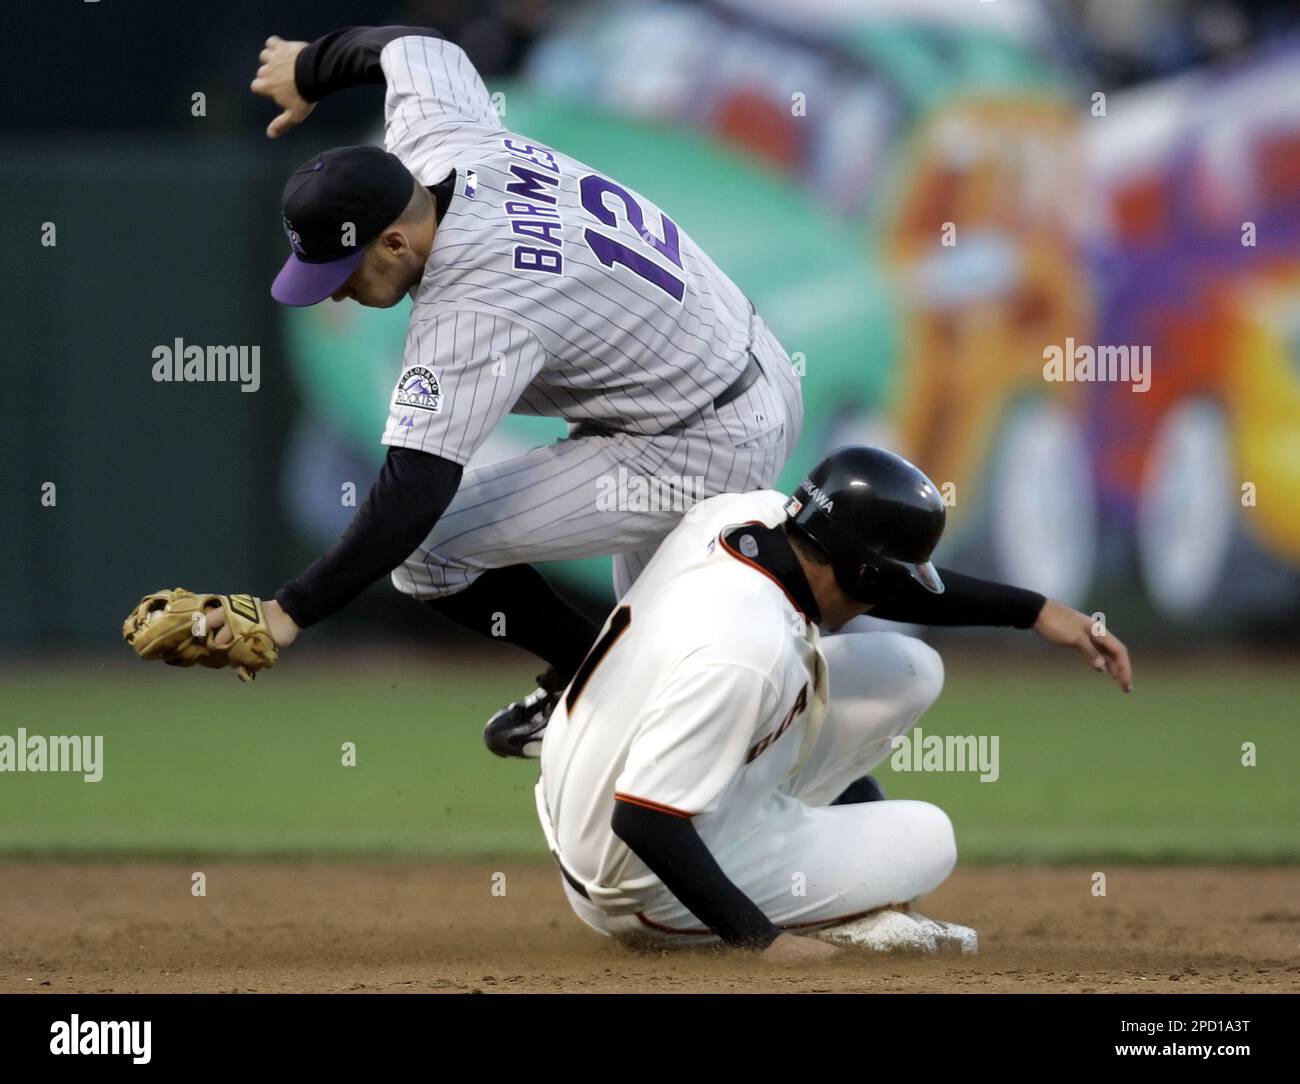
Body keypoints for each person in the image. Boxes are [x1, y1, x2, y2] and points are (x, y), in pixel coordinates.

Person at [228, 25, 801, 748]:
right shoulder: (443, 138)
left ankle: (588, 684)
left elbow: (413, 495)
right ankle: (619, 695)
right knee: (672, 682)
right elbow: (411, 44)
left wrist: (286, 615)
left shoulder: (475, 301)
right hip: (740, 362)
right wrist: (312, 66)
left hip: (696, 445)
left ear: (397, 243)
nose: (334, 295)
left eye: (341, 274)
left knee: (429, 553)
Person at [535, 446, 1132, 958]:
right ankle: (812, 899)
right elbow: (645, 819)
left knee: (907, 669)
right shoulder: (748, 648)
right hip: (630, 881)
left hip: (586, 791)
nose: (886, 593)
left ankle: (797, 847)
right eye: (885, 578)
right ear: (865, 574)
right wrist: (764, 944)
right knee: (927, 840)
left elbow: (878, 581)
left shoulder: (748, 518)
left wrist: (1034, 611)